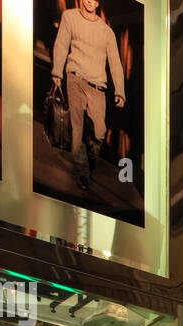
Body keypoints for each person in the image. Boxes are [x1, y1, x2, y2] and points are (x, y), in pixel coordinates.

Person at [50, 0, 126, 192]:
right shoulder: (70, 17)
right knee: (77, 127)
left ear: (98, 3)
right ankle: (82, 171)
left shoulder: (106, 32)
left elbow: (115, 63)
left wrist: (120, 91)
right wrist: (57, 72)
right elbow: (61, 44)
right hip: (75, 78)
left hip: (98, 86)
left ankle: (89, 162)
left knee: (99, 132)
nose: (91, 1)